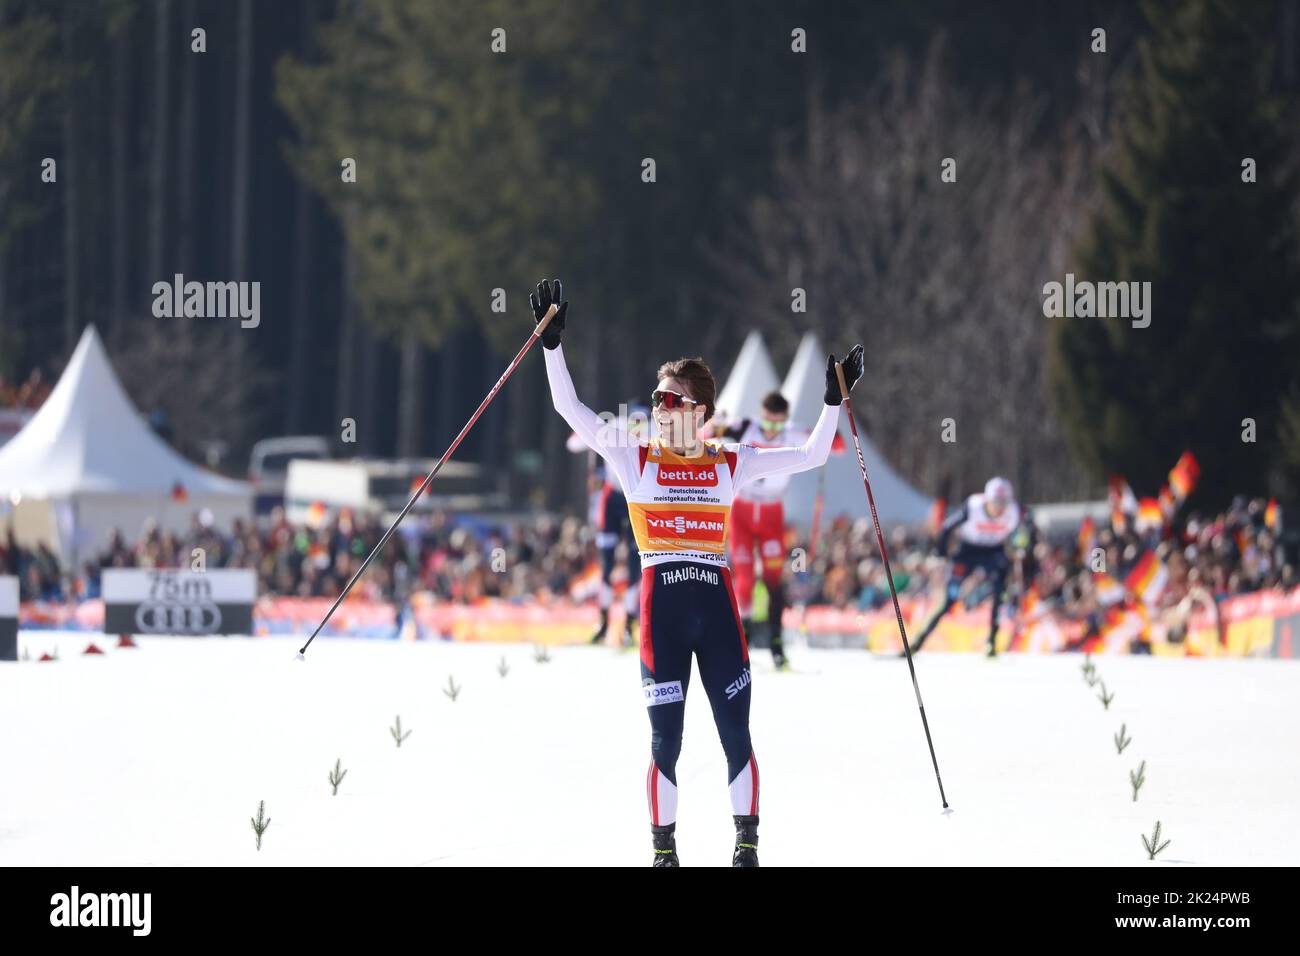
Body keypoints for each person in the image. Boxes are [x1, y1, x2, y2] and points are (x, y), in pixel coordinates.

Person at [534, 278, 863, 866]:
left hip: (716, 613)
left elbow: (811, 455)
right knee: (667, 742)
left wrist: (834, 402)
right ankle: (664, 852)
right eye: (656, 400)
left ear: (702, 413)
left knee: (736, 735)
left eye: (671, 401)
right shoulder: (631, 453)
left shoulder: (728, 461)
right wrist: (553, 346)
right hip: (661, 611)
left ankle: (746, 843)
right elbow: (569, 409)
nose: (659, 410)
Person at [718, 391, 808, 670]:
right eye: (768, 423)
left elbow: (830, 442)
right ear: (761, 416)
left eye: (777, 425)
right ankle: (741, 639)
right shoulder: (745, 426)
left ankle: (776, 644)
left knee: (773, 578)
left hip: (771, 513)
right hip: (742, 510)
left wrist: (837, 435)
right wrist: (716, 424)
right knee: (744, 576)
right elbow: (708, 430)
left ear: (785, 421)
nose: (771, 431)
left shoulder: (793, 434)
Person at [905, 476, 1021, 657]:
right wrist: (942, 553)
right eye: (996, 502)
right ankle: (918, 641)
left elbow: (1023, 534)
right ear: (987, 499)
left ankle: (991, 642)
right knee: (949, 600)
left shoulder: (1013, 512)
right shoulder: (974, 507)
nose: (1000, 508)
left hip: (994, 551)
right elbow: (946, 528)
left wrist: (1020, 546)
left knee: (999, 593)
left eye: (1004, 502)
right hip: (968, 551)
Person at [566, 405, 648, 646]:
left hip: (636, 499)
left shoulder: (654, 431)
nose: (636, 433)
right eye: (633, 427)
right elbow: (573, 443)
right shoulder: (615, 427)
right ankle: (603, 621)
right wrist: (591, 431)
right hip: (612, 500)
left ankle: (630, 623)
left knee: (636, 565)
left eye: (640, 428)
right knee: (607, 561)